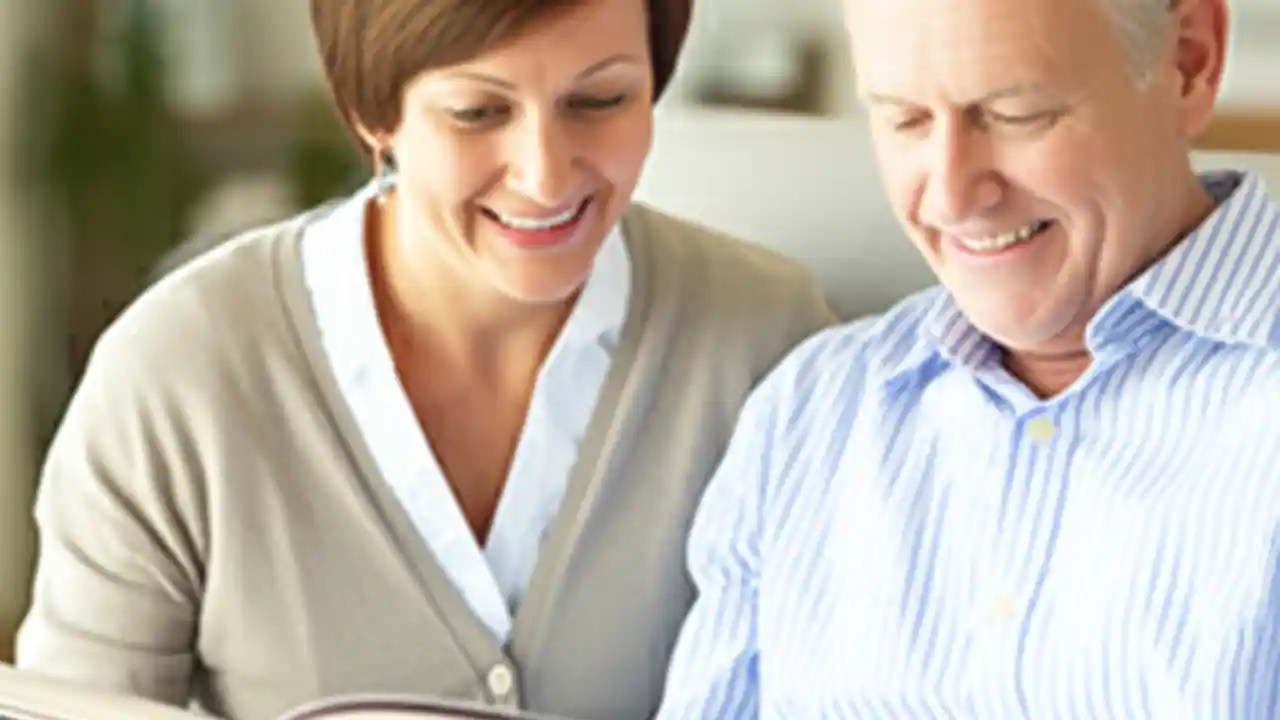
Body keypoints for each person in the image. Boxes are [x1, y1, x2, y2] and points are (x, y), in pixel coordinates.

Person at [15, 1, 836, 718]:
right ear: (372, 112)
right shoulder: (177, 376)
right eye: (478, 112)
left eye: (600, 99)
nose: (545, 175)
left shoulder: (772, 346)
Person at [659, 0, 1280, 716]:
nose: (952, 194)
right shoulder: (806, 416)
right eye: (905, 120)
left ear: (1188, 61)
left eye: (1016, 115)